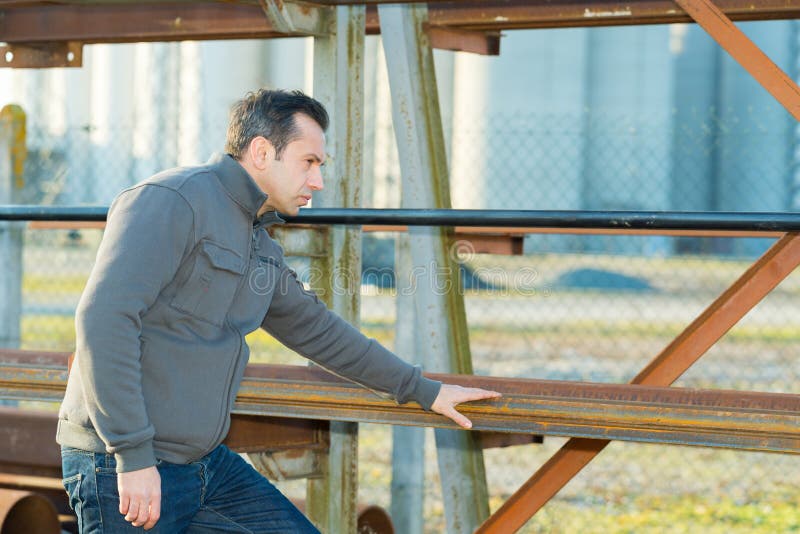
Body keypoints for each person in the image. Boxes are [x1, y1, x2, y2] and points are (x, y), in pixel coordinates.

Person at [57, 88, 501, 533]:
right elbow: (102, 320)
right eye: (309, 162)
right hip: (121, 465)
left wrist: (422, 388)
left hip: (204, 466)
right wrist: (132, 455)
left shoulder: (259, 244)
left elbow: (320, 331)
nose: (317, 181)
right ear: (262, 151)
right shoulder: (172, 200)